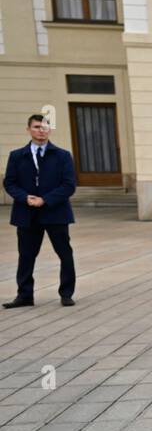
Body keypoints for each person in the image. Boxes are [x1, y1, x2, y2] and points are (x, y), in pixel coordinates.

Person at [3, 114, 77, 308]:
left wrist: (45, 200)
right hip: (26, 213)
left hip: (55, 212)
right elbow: (9, 183)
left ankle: (66, 293)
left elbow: (69, 185)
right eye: (36, 127)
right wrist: (25, 198)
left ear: (49, 130)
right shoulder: (17, 155)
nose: (41, 130)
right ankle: (25, 295)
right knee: (26, 256)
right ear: (28, 129)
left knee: (64, 254)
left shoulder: (62, 155)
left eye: (44, 127)